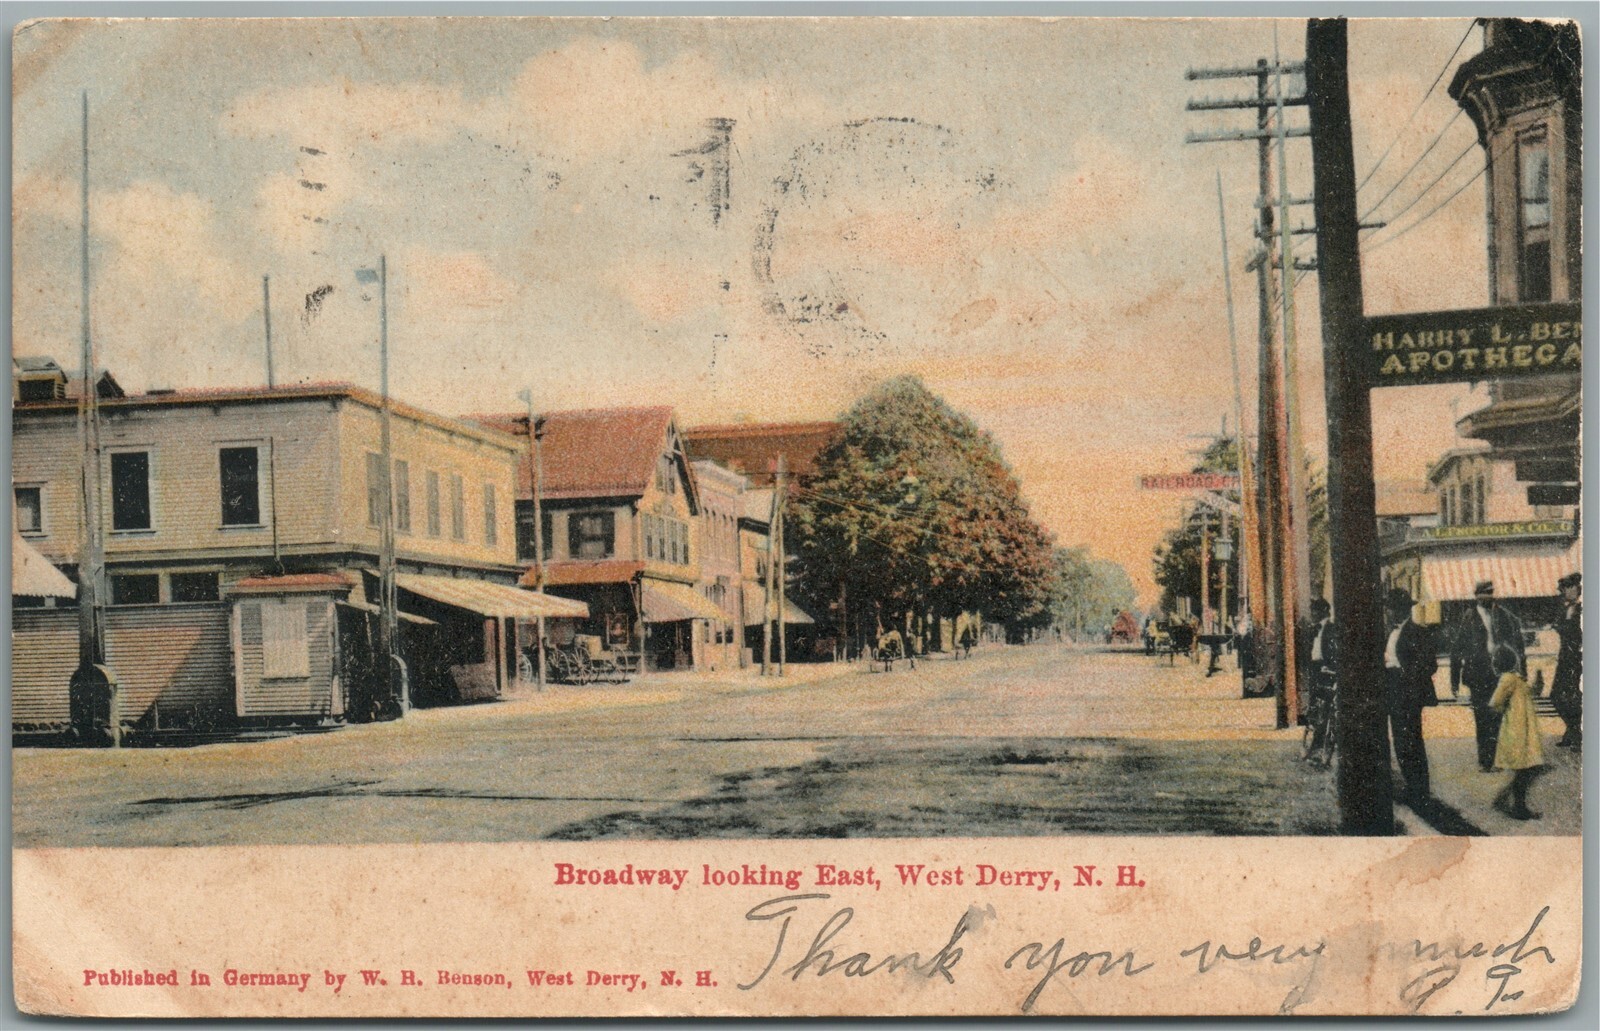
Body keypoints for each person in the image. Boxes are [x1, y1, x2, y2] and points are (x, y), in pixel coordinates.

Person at [1450, 580, 1525, 772]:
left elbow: (1517, 644)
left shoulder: (1503, 615)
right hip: (1477, 675)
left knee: (1498, 717)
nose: (1487, 598)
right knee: (1482, 717)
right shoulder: (1468, 618)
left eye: (1490, 594)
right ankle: (1486, 760)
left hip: (1499, 674)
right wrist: (1454, 680)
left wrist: (1521, 671)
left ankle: (1496, 757)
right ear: (1476, 597)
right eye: (1483, 595)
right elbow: (1457, 650)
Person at [1384, 588, 1437, 802]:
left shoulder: (1418, 632)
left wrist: (1405, 673)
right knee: (1400, 740)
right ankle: (1412, 786)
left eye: (1391, 608)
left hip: (1409, 693)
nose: (1388, 612)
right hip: (1393, 690)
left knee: (1412, 741)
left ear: (1400, 610)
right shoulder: (1390, 632)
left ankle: (1420, 789)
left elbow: (1430, 664)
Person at [1490, 644, 1545, 820]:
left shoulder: (1510, 679)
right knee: (1523, 771)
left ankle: (1519, 807)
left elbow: (1495, 703)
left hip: (1519, 730)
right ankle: (1519, 808)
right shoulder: (1513, 679)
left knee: (1523, 770)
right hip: (1520, 730)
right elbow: (1497, 702)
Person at [1551, 572, 1582, 748]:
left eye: (1566, 589)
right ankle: (1572, 729)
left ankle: (1575, 734)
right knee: (1555, 696)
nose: (1564, 593)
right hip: (1565, 658)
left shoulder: (1584, 608)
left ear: (1575, 588)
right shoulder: (1564, 608)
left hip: (1579, 659)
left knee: (1576, 697)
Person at [1306, 598, 1336, 758]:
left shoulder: (1331, 629)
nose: (1312, 614)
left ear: (1323, 612)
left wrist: (1330, 667)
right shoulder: (1313, 629)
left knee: (1324, 709)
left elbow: (1334, 652)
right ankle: (1315, 743)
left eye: (1314, 611)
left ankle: (1320, 744)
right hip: (1315, 669)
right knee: (1315, 707)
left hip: (1326, 670)